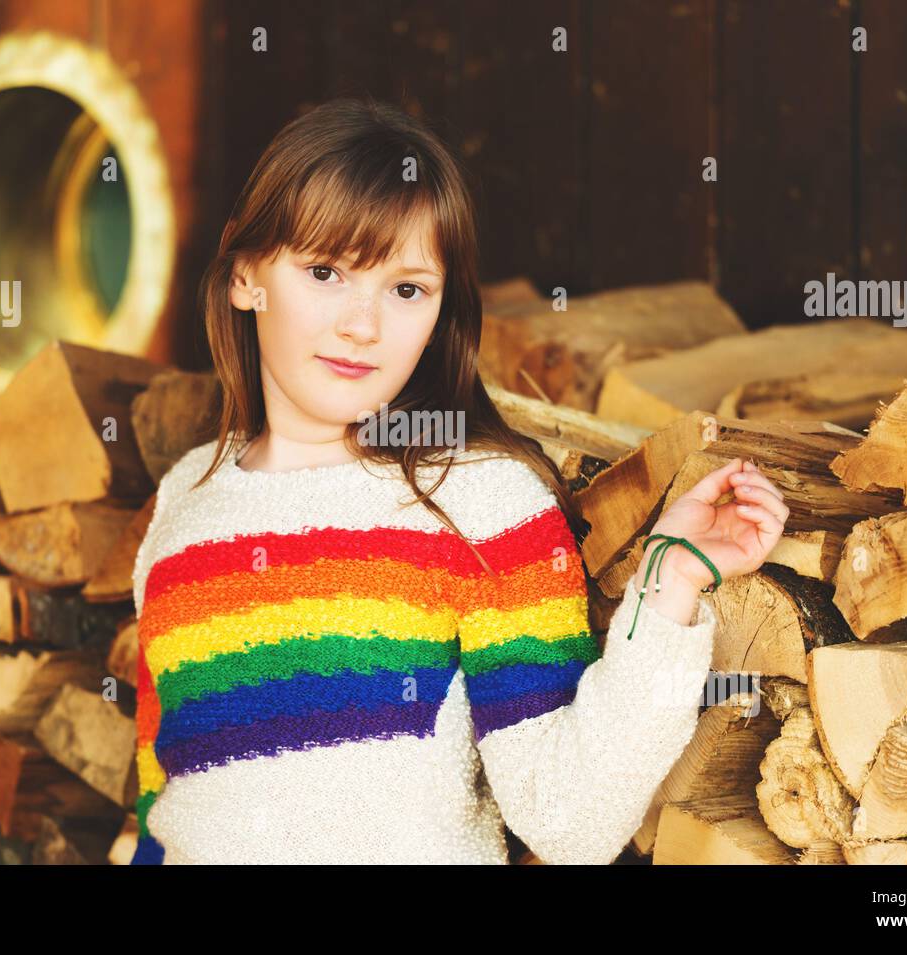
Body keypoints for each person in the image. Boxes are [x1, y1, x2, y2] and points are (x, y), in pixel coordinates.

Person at [130, 97, 788, 864]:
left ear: (442, 311)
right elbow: (162, 798)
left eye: (406, 289)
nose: (363, 325)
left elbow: (568, 819)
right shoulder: (184, 501)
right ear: (246, 277)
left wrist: (666, 583)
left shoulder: (483, 503)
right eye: (325, 272)